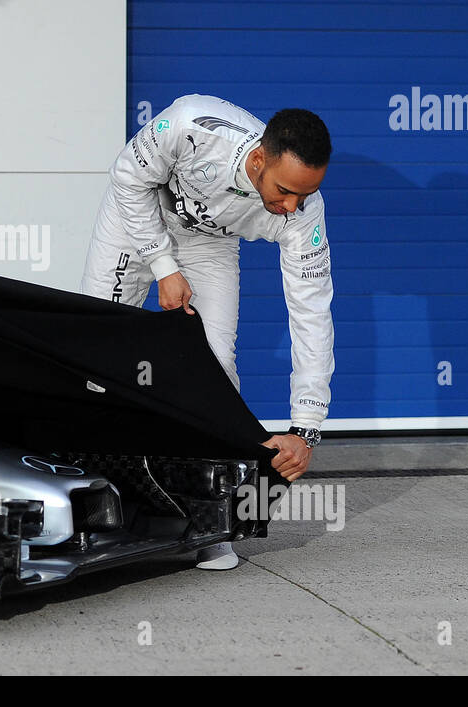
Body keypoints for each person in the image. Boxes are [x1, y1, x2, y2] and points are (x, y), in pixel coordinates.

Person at [80, 94, 333, 570]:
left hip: (211, 244)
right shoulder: (192, 124)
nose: (291, 206)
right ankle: (84, 503)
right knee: (97, 360)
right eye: (283, 191)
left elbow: (311, 312)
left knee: (215, 372)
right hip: (136, 222)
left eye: (304, 194)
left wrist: (307, 427)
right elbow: (128, 177)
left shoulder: (304, 214)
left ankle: (211, 521)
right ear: (259, 158)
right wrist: (161, 265)